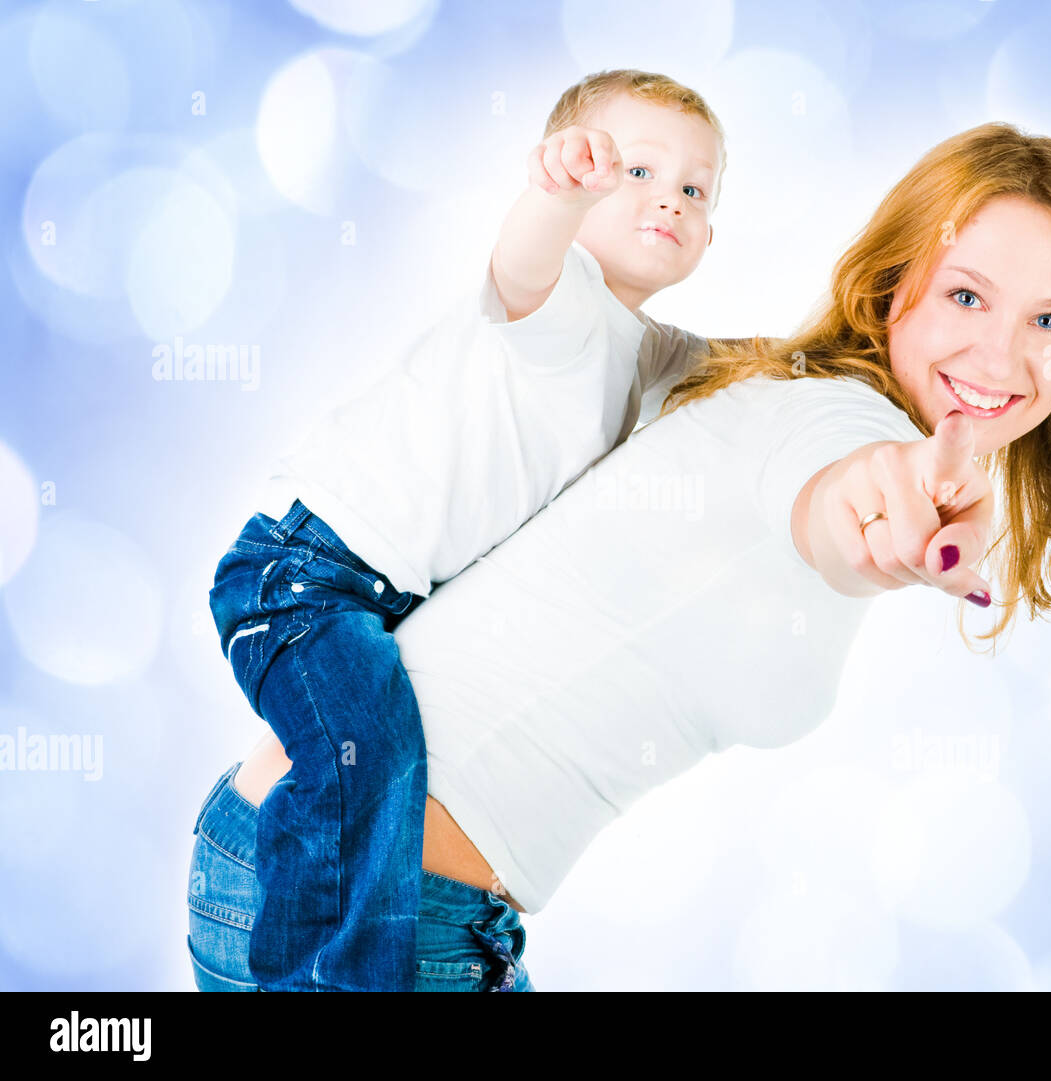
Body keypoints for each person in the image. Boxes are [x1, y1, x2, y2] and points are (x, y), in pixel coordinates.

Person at [188, 120, 1051, 990]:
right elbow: (840, 494)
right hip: (363, 907)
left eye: (1048, 320)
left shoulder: (764, 379)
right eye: (965, 294)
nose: (1000, 352)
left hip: (356, 888)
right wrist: (890, 510)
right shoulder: (836, 421)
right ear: (892, 284)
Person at [204, 69, 727, 991]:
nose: (669, 201)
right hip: (305, 571)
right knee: (368, 749)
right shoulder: (556, 289)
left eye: (695, 190)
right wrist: (555, 191)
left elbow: (745, 371)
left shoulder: (649, 353)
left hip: (377, 598)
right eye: (639, 170)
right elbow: (522, 259)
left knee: (372, 749)